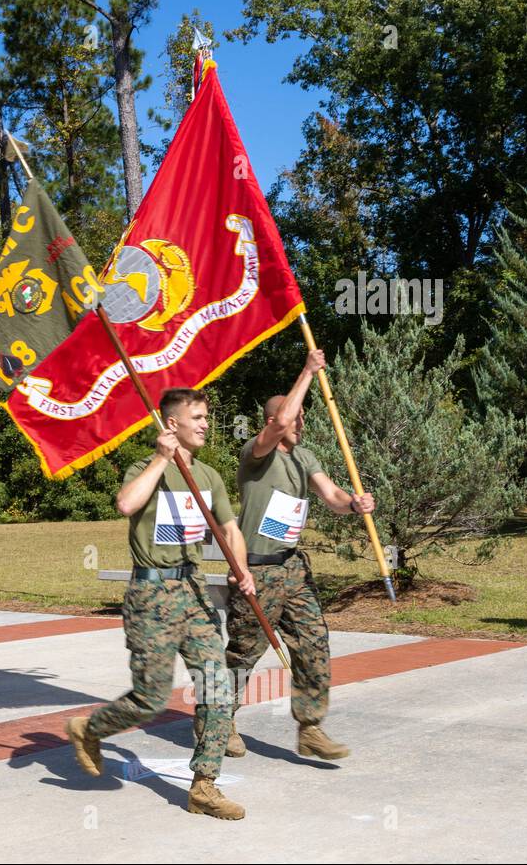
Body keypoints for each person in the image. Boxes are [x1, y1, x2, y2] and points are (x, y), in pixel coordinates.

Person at [64, 388, 253, 820]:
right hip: (151, 595)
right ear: (172, 425)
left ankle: (204, 785)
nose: (206, 424)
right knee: (150, 698)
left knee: (217, 686)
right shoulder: (145, 467)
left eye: (207, 416)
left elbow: (228, 526)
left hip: (193, 590)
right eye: (198, 417)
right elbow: (126, 503)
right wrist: (162, 459)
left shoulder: (209, 476)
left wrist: (240, 568)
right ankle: (89, 728)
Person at [225, 349, 376, 761]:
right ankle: (219, 723)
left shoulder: (304, 456)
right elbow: (279, 424)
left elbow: (331, 496)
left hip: (292, 567)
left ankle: (310, 726)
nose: (302, 420)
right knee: (243, 652)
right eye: (297, 415)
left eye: (305, 415)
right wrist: (308, 370)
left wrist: (354, 504)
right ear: (274, 420)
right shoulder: (256, 454)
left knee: (313, 641)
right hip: (255, 567)